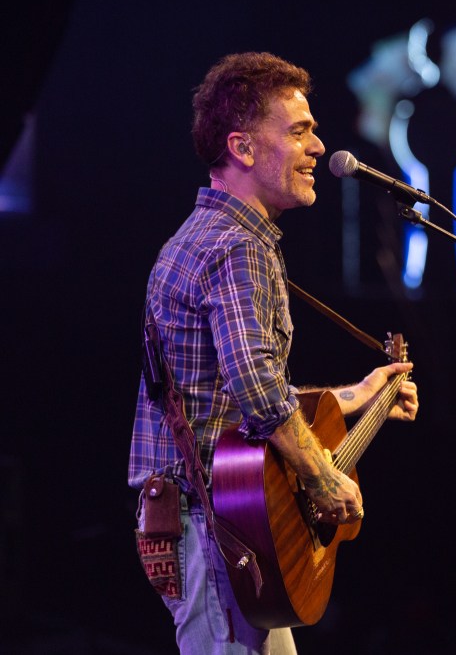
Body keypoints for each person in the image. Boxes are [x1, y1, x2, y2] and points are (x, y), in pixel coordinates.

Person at [128, 52, 418, 654]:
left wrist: (353, 397)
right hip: (217, 528)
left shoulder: (210, 237)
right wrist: (321, 478)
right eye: (298, 131)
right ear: (243, 147)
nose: (318, 147)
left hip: (223, 523)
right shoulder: (237, 247)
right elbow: (258, 392)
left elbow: (230, 393)